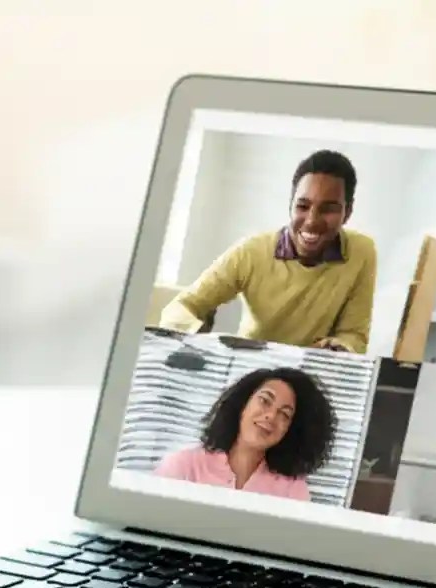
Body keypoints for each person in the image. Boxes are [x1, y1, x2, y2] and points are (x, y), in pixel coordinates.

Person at [158, 149, 378, 353]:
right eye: (302, 206)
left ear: (347, 212)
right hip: (249, 369)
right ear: (290, 205)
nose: (312, 221)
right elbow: (181, 307)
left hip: (310, 374)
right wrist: (198, 340)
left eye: (328, 209)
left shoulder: (362, 252)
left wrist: (340, 348)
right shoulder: (251, 252)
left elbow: (354, 336)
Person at [153, 367, 336, 501]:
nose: (271, 415)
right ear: (242, 405)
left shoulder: (293, 490)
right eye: (265, 400)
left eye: (285, 414)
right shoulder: (183, 466)